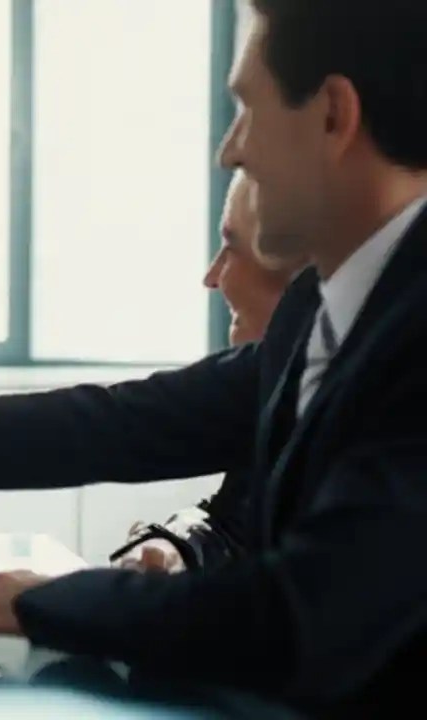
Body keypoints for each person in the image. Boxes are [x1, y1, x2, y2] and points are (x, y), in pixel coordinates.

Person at [0, 1, 427, 709]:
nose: (231, 150)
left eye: (248, 109)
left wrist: (52, 601)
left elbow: (304, 617)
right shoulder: (318, 306)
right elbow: (123, 424)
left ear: (334, 114)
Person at [111, 170, 304, 573]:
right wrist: (172, 550)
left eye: (231, 247)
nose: (212, 277)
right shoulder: (284, 395)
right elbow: (228, 524)